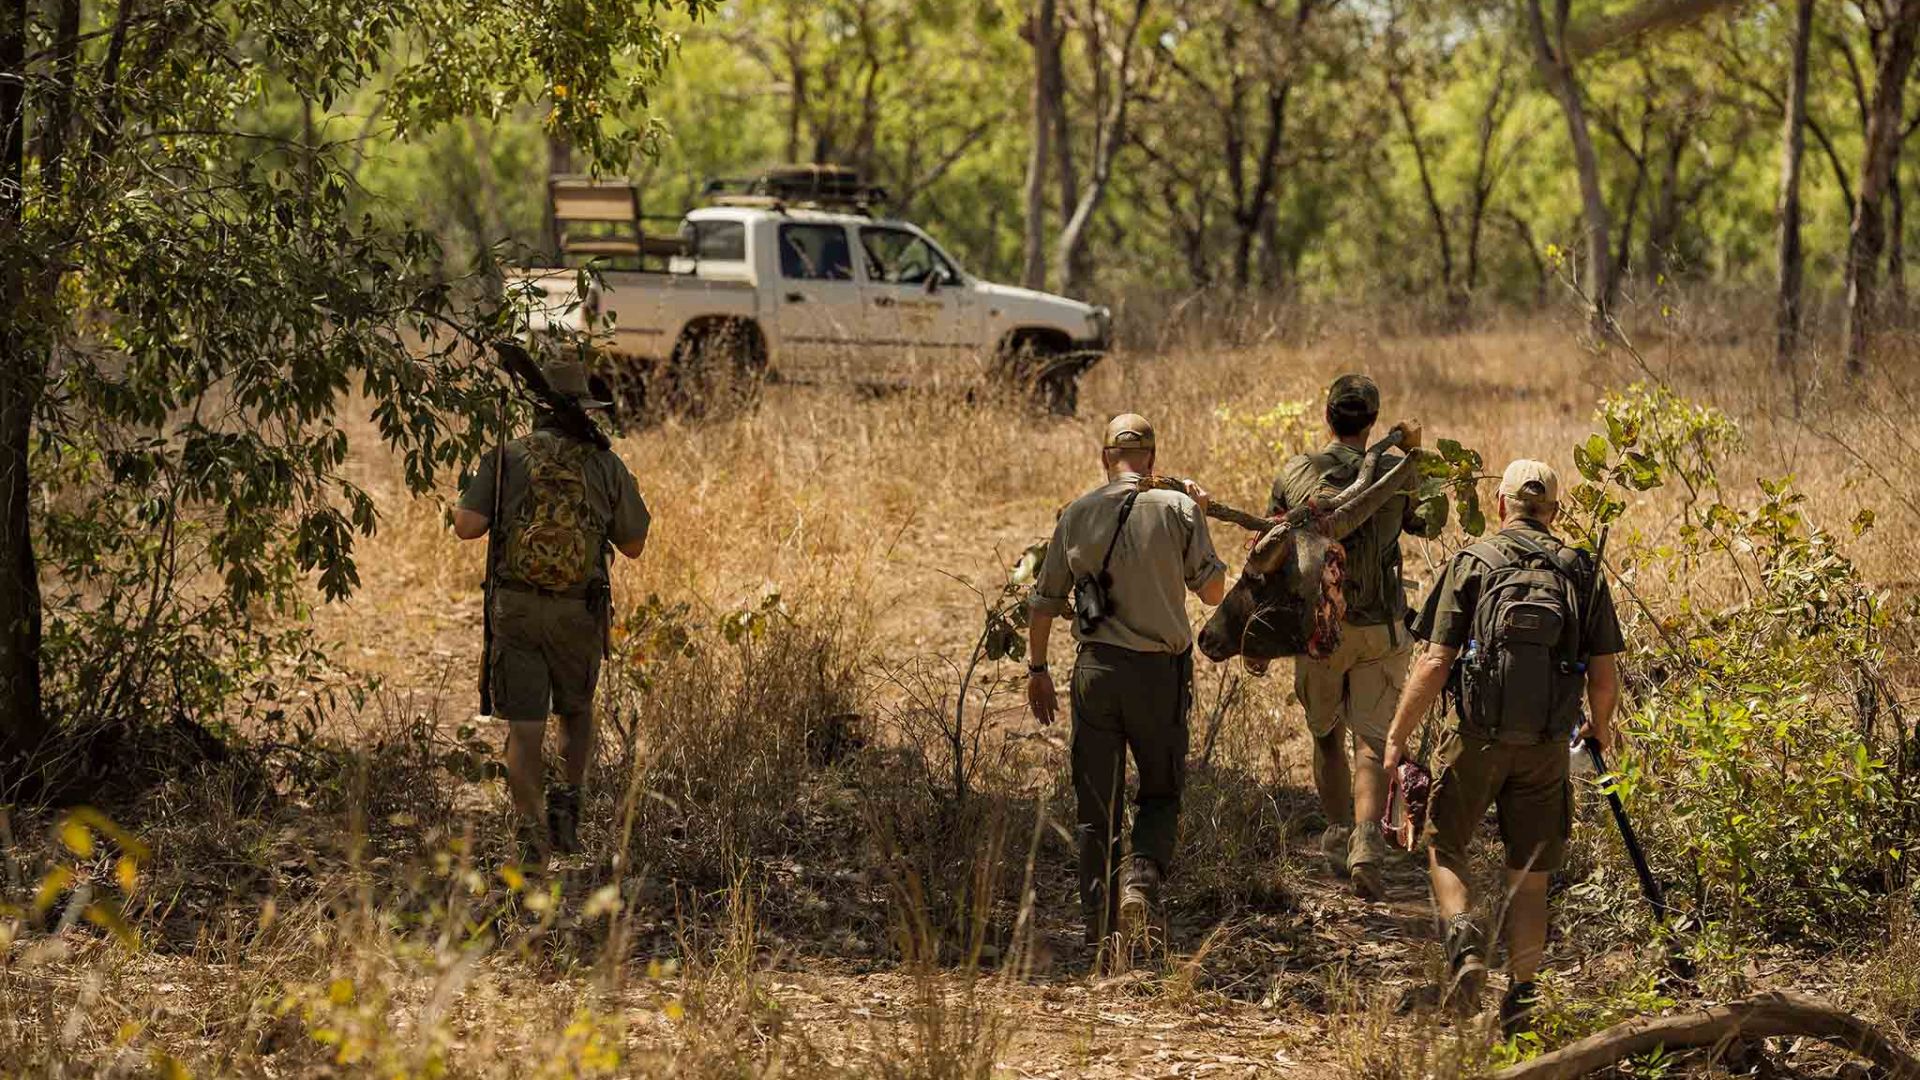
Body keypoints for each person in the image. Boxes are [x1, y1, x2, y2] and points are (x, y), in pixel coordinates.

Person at [1383, 460, 1623, 1036]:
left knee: (1445, 847)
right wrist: (1599, 727)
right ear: (1555, 512)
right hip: (1545, 747)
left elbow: (1435, 662)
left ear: (1500, 506)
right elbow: (1605, 674)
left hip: (1475, 740)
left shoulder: (1473, 562)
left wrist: (1396, 738)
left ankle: (1465, 944)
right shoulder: (1581, 570)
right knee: (1531, 876)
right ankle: (1522, 997)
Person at [1027, 413, 1227, 947]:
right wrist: (1201, 515)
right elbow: (1212, 593)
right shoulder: (1180, 508)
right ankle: (1141, 881)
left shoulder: (1077, 514)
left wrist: (1038, 669)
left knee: (1096, 808)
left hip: (1094, 673)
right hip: (1158, 676)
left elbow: (1044, 600)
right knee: (1161, 790)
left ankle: (1098, 934)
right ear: (1154, 460)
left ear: (1103, 459)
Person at [453, 358, 651, 866]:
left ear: (536, 410)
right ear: (583, 408)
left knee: (524, 728)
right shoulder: (606, 464)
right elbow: (633, 544)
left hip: (516, 608)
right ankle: (569, 805)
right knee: (576, 710)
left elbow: (467, 527)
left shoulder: (507, 456)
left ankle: (530, 835)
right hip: (578, 611)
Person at [1268, 374, 1443, 900]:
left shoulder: (1296, 472)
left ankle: (1340, 828)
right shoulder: (1397, 471)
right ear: (1371, 423)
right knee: (1373, 739)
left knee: (1325, 735)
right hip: (1381, 628)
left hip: (1319, 630)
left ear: (1328, 417)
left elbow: (1275, 541)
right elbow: (1430, 525)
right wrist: (1421, 463)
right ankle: (1368, 843)